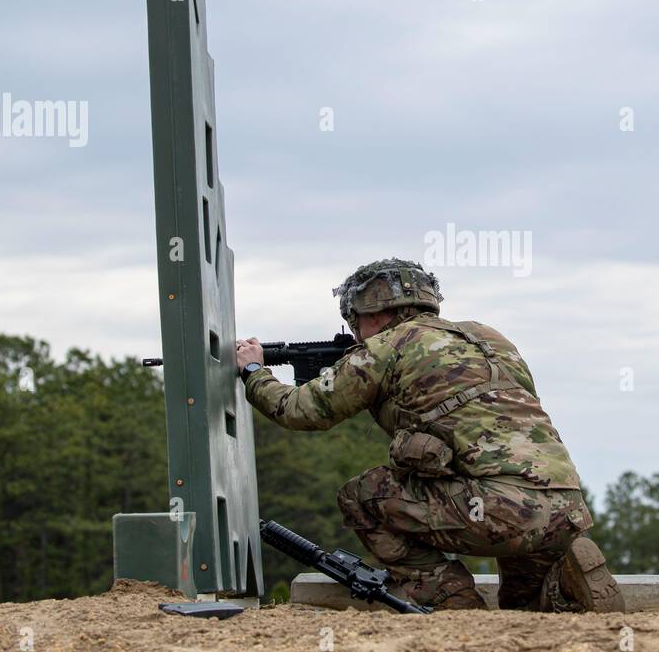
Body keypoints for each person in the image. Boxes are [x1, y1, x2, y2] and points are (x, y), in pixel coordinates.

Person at [236, 258, 624, 613]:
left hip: (499, 511)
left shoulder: (387, 346)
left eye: (355, 321)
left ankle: (447, 594)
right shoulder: (489, 338)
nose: (355, 334)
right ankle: (565, 580)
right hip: (564, 509)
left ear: (372, 313)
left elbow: (300, 410)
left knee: (362, 496)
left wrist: (254, 371)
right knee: (521, 606)